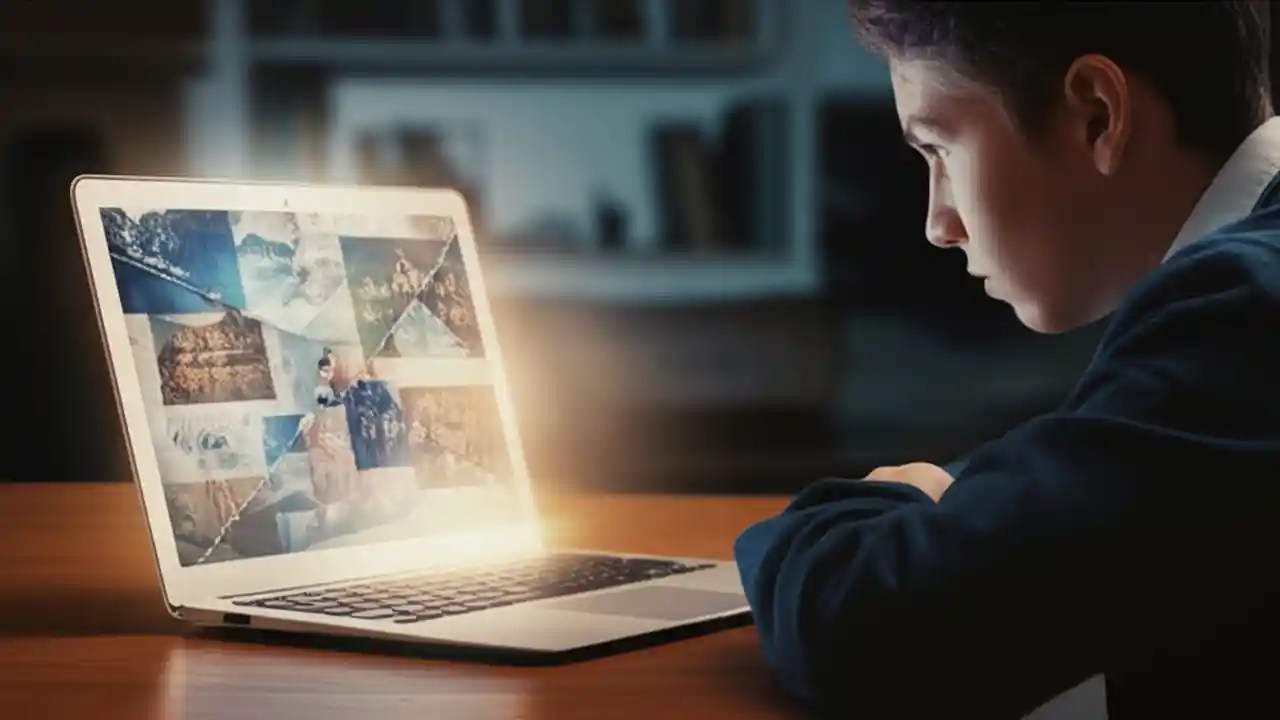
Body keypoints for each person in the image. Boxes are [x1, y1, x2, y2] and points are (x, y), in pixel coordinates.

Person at [733, 2, 1280, 717]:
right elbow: (1098, 473)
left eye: (940, 149)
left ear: (1096, 115)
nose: (938, 223)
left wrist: (890, 499)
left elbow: (857, 629)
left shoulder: (1244, 315)